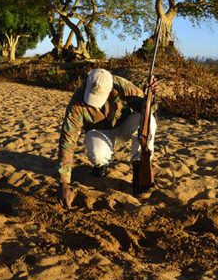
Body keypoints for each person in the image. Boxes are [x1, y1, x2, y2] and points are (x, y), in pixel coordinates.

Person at [57, 68, 158, 208]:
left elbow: (147, 110)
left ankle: (140, 170)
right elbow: (67, 140)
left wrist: (150, 97)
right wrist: (64, 182)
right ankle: (101, 166)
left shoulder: (123, 86)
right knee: (97, 154)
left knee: (149, 120)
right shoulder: (77, 100)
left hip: (124, 127)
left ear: (111, 89)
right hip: (99, 133)